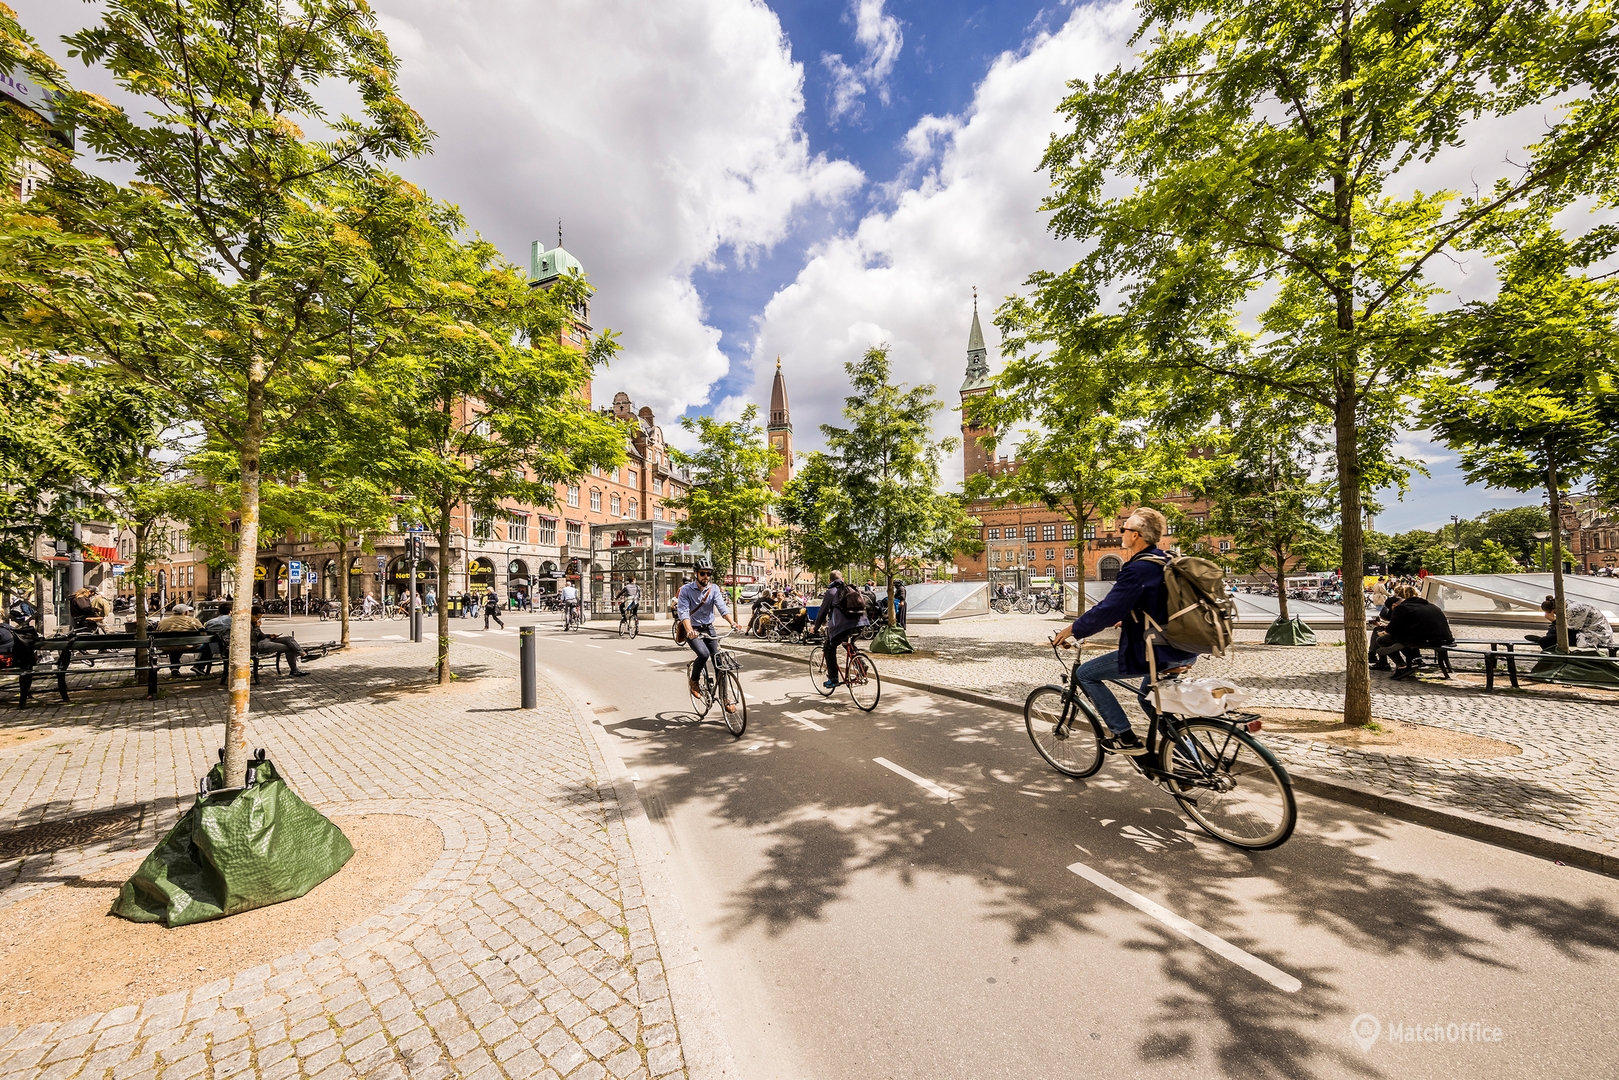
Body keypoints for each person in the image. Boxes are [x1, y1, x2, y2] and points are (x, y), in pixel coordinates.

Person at [1050, 509, 1195, 756]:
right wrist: (1127, 618)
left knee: (1086, 674)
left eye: (1123, 529)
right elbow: (1156, 604)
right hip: (1185, 646)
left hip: (1158, 651)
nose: (1120, 533)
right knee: (1151, 702)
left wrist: (1074, 628)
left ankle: (1124, 736)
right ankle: (1189, 764)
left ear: (1136, 535)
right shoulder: (1165, 560)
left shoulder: (1138, 569)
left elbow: (1107, 608)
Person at [676, 564, 739, 704]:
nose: (706, 577)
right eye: (703, 573)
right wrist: (689, 630)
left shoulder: (714, 588)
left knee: (719, 662)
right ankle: (694, 681)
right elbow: (683, 612)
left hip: (708, 628)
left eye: (709, 574)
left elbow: (722, 607)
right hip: (693, 629)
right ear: (696, 574)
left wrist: (732, 622)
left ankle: (724, 698)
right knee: (703, 654)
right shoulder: (686, 590)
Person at [1372, 584, 1455, 679]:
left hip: (1425, 640)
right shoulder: (1431, 606)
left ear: (1394, 605)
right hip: (1446, 638)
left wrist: (1382, 633)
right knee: (1401, 638)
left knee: (1381, 640)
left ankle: (1401, 665)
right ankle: (1412, 657)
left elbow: (1391, 630)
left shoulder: (1401, 608)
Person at [811, 570, 870, 689]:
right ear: (842, 579)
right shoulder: (852, 589)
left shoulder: (831, 592)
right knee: (849, 642)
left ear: (830, 580)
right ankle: (861, 665)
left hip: (841, 627)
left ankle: (833, 678)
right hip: (861, 624)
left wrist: (815, 628)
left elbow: (822, 612)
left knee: (829, 647)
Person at [1527, 596, 1615, 651]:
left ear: (1554, 609)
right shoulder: (1567, 605)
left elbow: (1568, 631)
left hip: (1596, 636)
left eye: (1554, 613)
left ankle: (1551, 650)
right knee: (1552, 630)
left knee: (1545, 641)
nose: (1555, 614)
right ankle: (1547, 641)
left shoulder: (1574, 610)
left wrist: (1553, 620)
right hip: (1586, 632)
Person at [250, 609, 308, 677]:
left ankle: (303, 654)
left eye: (260, 617)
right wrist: (257, 627)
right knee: (289, 648)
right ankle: (294, 670)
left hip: (265, 640)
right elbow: (252, 637)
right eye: (257, 617)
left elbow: (260, 635)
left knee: (289, 639)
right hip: (258, 645)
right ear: (251, 615)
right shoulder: (247, 624)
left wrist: (269, 635)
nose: (258, 619)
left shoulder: (254, 623)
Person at [156, 603, 209, 675]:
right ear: (185, 612)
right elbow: (204, 634)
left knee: (174, 644)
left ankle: (174, 667)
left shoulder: (163, 621)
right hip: (189, 646)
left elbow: (157, 633)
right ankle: (199, 666)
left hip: (168, 646)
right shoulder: (193, 621)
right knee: (209, 647)